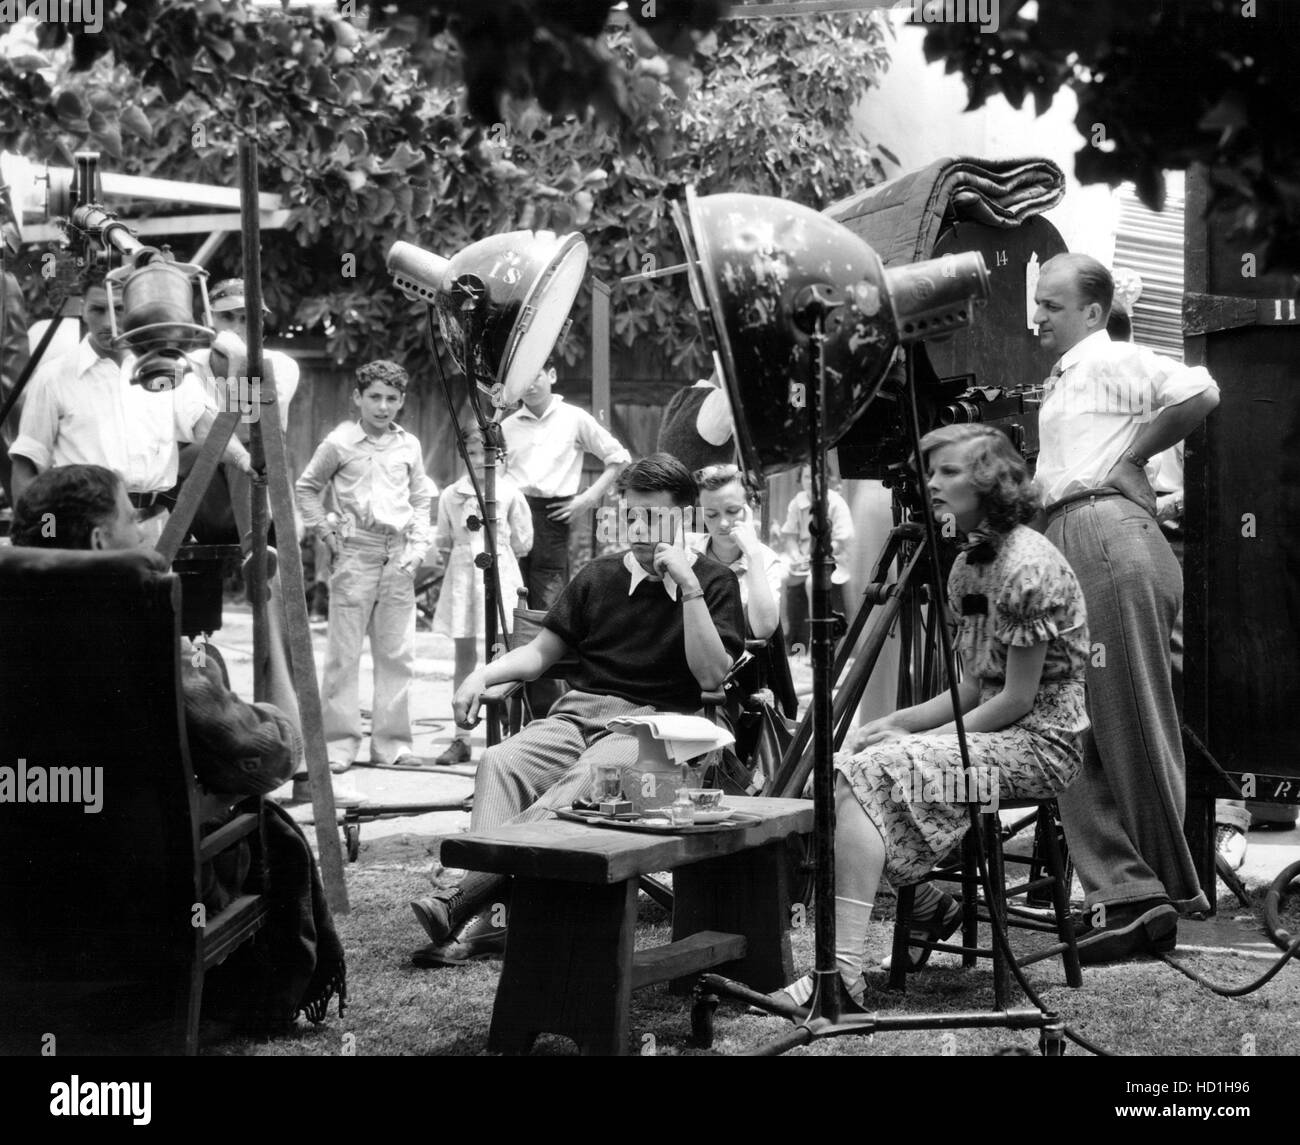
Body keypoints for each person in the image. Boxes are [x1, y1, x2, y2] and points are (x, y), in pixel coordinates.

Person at [10, 464, 345, 1029]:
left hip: (25, 883)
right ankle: (240, 998)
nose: (144, 530)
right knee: (267, 823)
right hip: (134, 888)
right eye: (132, 517)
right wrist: (226, 657)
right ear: (99, 541)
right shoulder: (149, 650)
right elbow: (278, 752)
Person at [773, 424, 1089, 1009]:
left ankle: (841, 975)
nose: (932, 484)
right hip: (991, 739)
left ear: (990, 482)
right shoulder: (968, 566)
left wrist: (924, 741)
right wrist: (900, 725)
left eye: (949, 472)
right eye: (931, 472)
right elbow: (973, 687)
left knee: (879, 772)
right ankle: (916, 908)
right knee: (851, 762)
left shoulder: (1028, 569)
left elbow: (1017, 701)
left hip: (1038, 755)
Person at [408, 453, 746, 965]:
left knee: (591, 778)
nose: (638, 528)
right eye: (631, 514)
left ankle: (466, 898)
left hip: (661, 728)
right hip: (581, 712)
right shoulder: (599, 575)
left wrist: (689, 587)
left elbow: (710, 677)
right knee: (502, 760)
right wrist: (481, 675)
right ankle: (499, 918)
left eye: (653, 517)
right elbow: (541, 653)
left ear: (684, 518)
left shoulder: (715, 582)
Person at [1033, 252, 1219, 961]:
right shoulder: (1070, 378)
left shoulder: (1109, 361)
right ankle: (1122, 893)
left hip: (1105, 534)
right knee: (1070, 720)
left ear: (1090, 311)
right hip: (1076, 537)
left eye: (1051, 304)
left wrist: (1129, 458)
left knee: (1128, 713)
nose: (1038, 316)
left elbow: (1201, 389)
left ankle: (1162, 891)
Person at [9, 267, 255, 546]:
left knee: (154, 588)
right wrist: (42, 537)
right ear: (82, 309)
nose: (106, 322)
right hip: (80, 529)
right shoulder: (54, 377)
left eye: (118, 309)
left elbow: (206, 426)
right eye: (97, 309)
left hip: (154, 521)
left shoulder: (168, 369)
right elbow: (27, 463)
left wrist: (243, 460)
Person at [296, 359, 434, 774]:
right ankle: (338, 746)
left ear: (401, 401)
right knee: (343, 654)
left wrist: (419, 547)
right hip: (356, 552)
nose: (382, 406)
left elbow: (422, 498)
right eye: (374, 396)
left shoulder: (408, 445)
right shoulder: (339, 442)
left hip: (399, 555)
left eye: (392, 398)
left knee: (397, 655)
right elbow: (306, 489)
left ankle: (392, 745)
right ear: (357, 398)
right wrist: (325, 531)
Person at [430, 429, 533, 765]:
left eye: (486, 455)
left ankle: (506, 736)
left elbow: (523, 542)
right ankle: (462, 737)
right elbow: (444, 537)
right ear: (462, 455)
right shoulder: (450, 494)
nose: (479, 462)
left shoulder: (510, 494)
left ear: (500, 456)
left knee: (502, 652)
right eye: (471, 454)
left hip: (500, 573)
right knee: (463, 654)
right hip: (463, 576)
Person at [501, 359, 630, 614]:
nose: (529, 385)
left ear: (551, 375)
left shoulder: (574, 418)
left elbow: (619, 458)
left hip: (553, 513)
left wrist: (588, 498)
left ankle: (547, 652)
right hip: (512, 513)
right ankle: (512, 651)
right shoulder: (507, 427)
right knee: (511, 588)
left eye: (535, 376)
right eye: (522, 380)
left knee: (549, 592)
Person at [687, 462, 784, 640]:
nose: (723, 523)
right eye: (712, 515)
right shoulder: (687, 551)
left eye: (732, 511)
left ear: (750, 508)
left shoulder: (766, 559)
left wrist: (753, 556)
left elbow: (764, 629)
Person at [780, 462, 855, 654]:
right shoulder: (798, 502)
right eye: (807, 477)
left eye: (818, 477)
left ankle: (817, 636)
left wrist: (818, 554)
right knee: (780, 575)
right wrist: (796, 555)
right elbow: (789, 536)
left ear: (826, 479)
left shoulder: (836, 502)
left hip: (832, 558)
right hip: (805, 558)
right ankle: (785, 629)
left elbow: (841, 540)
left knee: (813, 582)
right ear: (800, 480)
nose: (812, 482)